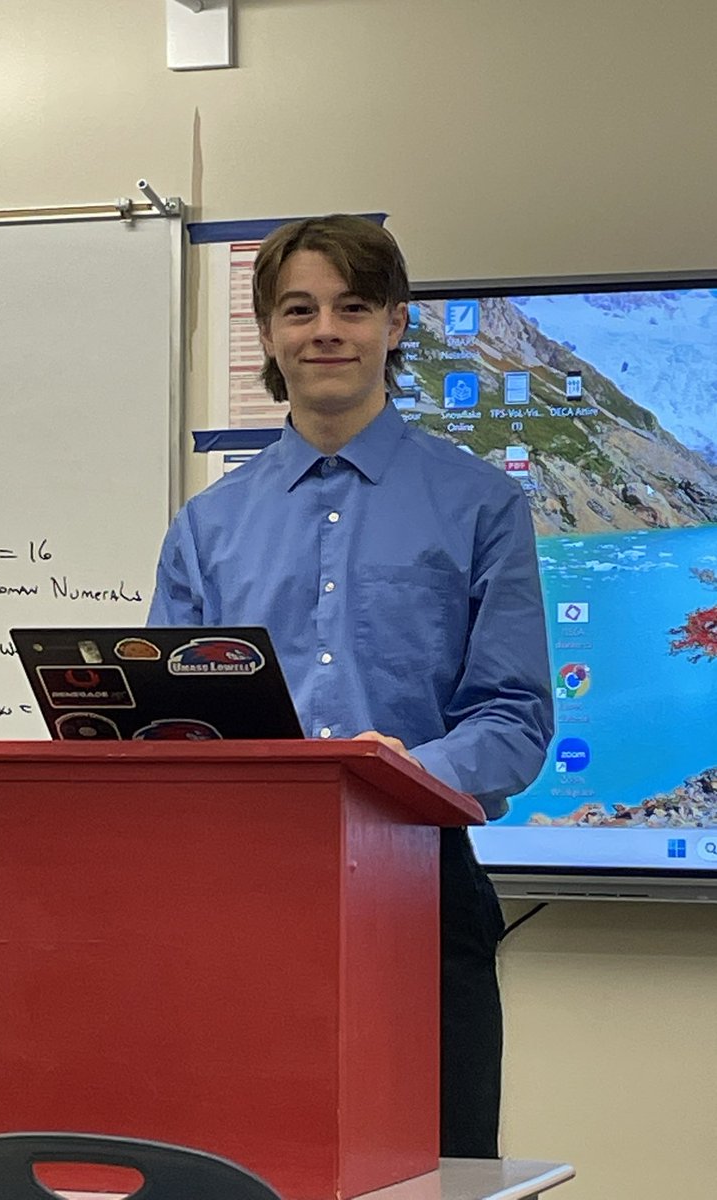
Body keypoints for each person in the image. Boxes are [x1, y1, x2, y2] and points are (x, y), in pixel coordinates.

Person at [148, 214, 553, 1158]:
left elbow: (517, 719)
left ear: (395, 324)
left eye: (353, 307)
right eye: (299, 310)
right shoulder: (207, 527)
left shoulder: (483, 504)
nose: (325, 330)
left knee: (433, 1168)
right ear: (269, 333)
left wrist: (404, 771)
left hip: (422, 892)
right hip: (243, 897)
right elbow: (169, 728)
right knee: (246, 1162)